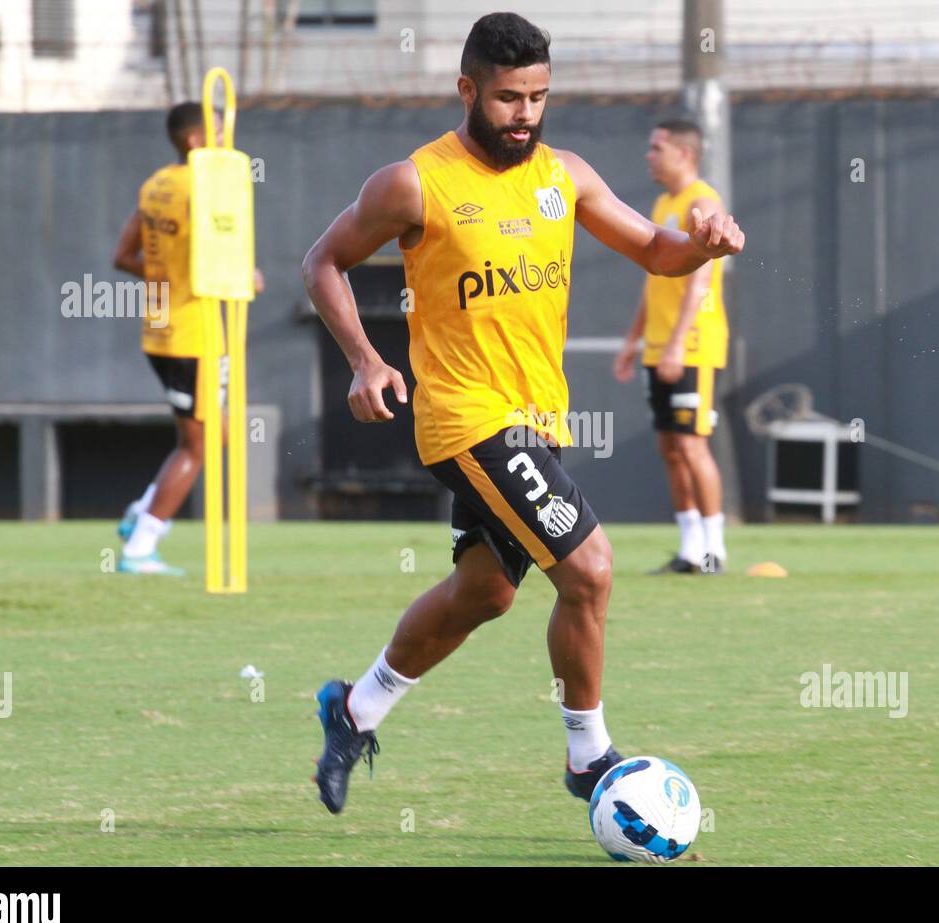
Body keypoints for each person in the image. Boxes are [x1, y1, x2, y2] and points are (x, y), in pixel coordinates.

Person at [301, 12, 744, 815]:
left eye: (539, 97)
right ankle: (589, 756)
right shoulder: (414, 182)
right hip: (465, 419)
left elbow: (655, 248)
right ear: (468, 89)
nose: (526, 115)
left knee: (485, 593)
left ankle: (354, 709)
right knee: (591, 570)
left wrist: (704, 245)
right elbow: (322, 261)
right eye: (508, 98)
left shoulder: (563, 175)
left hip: (537, 422)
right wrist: (366, 360)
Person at [111, 102, 262, 575]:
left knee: (212, 432)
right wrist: (243, 277)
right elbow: (220, 257)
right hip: (193, 333)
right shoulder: (206, 186)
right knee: (198, 445)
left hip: (159, 326)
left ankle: (142, 512)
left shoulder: (156, 183)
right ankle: (140, 545)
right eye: (219, 129)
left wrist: (165, 279)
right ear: (197, 139)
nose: (226, 136)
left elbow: (123, 255)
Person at [613, 120, 730, 574]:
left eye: (657, 147)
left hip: (692, 347)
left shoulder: (702, 201)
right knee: (669, 447)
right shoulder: (663, 203)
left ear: (684, 154)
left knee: (693, 446)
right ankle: (689, 549)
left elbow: (700, 275)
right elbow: (656, 278)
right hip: (658, 347)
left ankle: (714, 551)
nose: (649, 154)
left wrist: (678, 343)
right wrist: (633, 341)